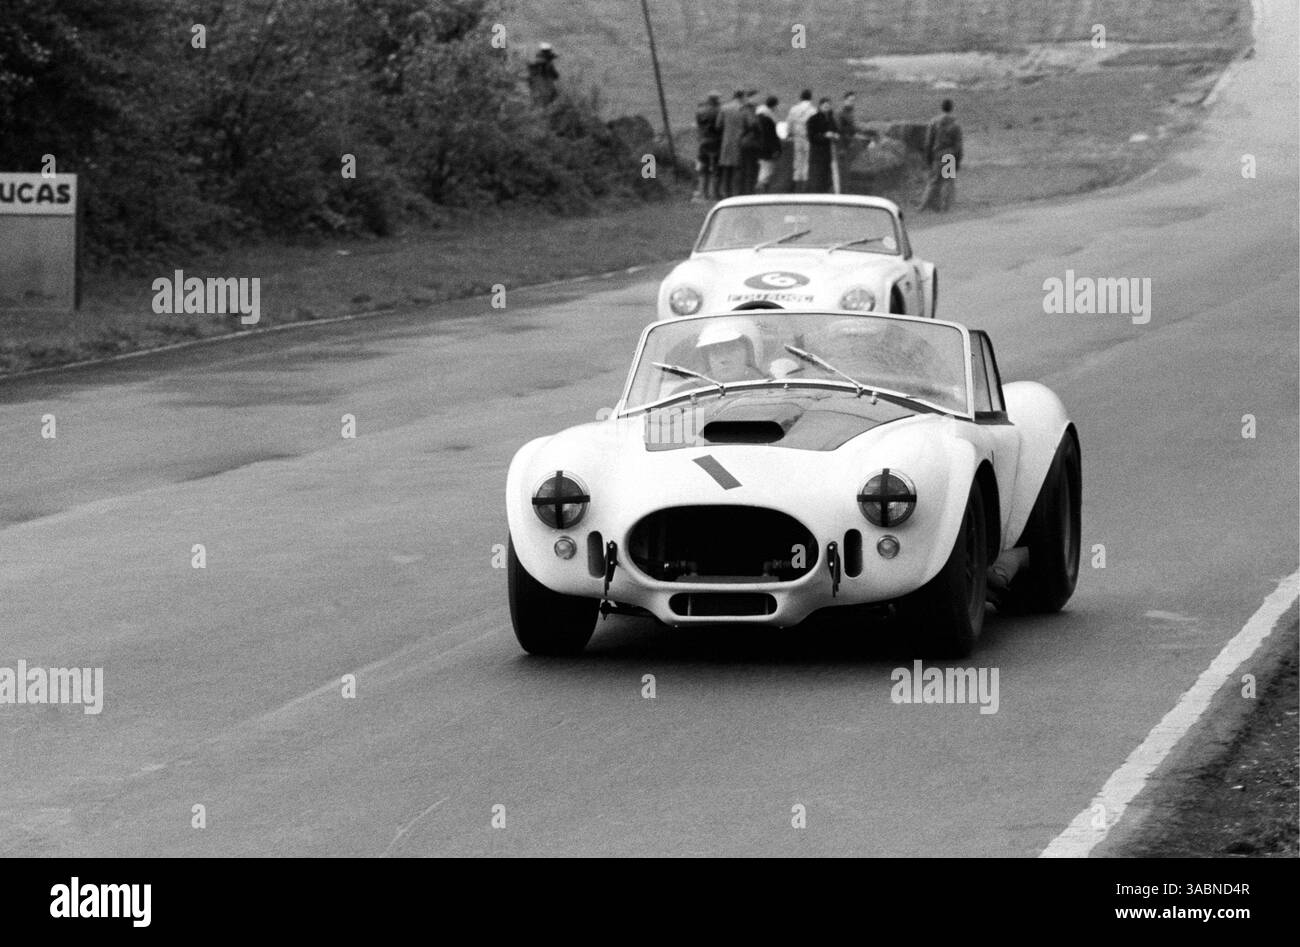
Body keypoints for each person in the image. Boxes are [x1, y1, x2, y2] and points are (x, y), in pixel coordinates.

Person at [920, 98, 963, 211]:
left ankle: (924, 206)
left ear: (941, 107)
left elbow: (928, 142)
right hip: (949, 155)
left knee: (933, 182)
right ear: (952, 108)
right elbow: (958, 145)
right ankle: (945, 207)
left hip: (937, 154)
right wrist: (958, 160)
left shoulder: (934, 122)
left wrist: (927, 158)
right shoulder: (955, 124)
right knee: (947, 182)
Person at [695, 320, 767, 383]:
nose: (723, 360)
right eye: (715, 352)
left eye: (731, 350)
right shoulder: (692, 389)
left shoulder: (770, 387)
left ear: (750, 354)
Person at [716, 90, 747, 198]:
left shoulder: (724, 108)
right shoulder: (743, 109)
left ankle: (725, 192)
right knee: (737, 168)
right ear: (741, 97)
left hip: (726, 141)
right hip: (740, 141)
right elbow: (747, 124)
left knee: (726, 169)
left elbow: (718, 125)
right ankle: (736, 193)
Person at [805, 97, 840, 193]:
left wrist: (836, 135)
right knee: (817, 176)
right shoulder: (813, 119)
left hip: (829, 153)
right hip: (817, 153)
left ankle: (826, 192)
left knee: (827, 176)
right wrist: (824, 136)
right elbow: (811, 136)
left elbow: (836, 130)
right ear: (820, 106)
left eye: (828, 106)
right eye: (825, 106)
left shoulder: (831, 119)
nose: (827, 108)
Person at [785, 89, 817, 193]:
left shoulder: (794, 109)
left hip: (797, 138)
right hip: (808, 139)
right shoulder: (813, 110)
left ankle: (796, 188)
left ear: (801, 97)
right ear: (810, 98)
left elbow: (789, 123)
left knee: (798, 162)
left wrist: (789, 133)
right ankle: (804, 188)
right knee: (806, 162)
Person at [693, 91, 723, 201]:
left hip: (703, 141)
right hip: (716, 142)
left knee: (703, 169)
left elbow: (699, 126)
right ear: (716, 100)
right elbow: (720, 127)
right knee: (716, 169)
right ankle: (716, 194)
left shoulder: (700, 111)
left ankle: (704, 194)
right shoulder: (719, 110)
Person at [754, 95, 782, 193]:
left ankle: (761, 189)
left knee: (763, 169)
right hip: (767, 150)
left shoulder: (758, 116)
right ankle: (760, 190)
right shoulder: (768, 119)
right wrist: (775, 149)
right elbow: (770, 136)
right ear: (774, 106)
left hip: (759, 147)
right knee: (766, 171)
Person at [737, 90, 762, 196]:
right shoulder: (748, 110)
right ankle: (748, 192)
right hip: (750, 142)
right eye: (756, 97)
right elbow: (752, 123)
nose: (758, 100)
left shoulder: (747, 109)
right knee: (750, 169)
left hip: (746, 142)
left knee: (748, 168)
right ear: (750, 98)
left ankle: (746, 191)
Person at [836, 91, 862, 170]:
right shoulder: (841, 112)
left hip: (851, 141)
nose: (852, 103)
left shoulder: (851, 112)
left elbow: (854, 126)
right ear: (845, 101)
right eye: (850, 100)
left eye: (853, 101)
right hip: (843, 144)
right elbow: (839, 129)